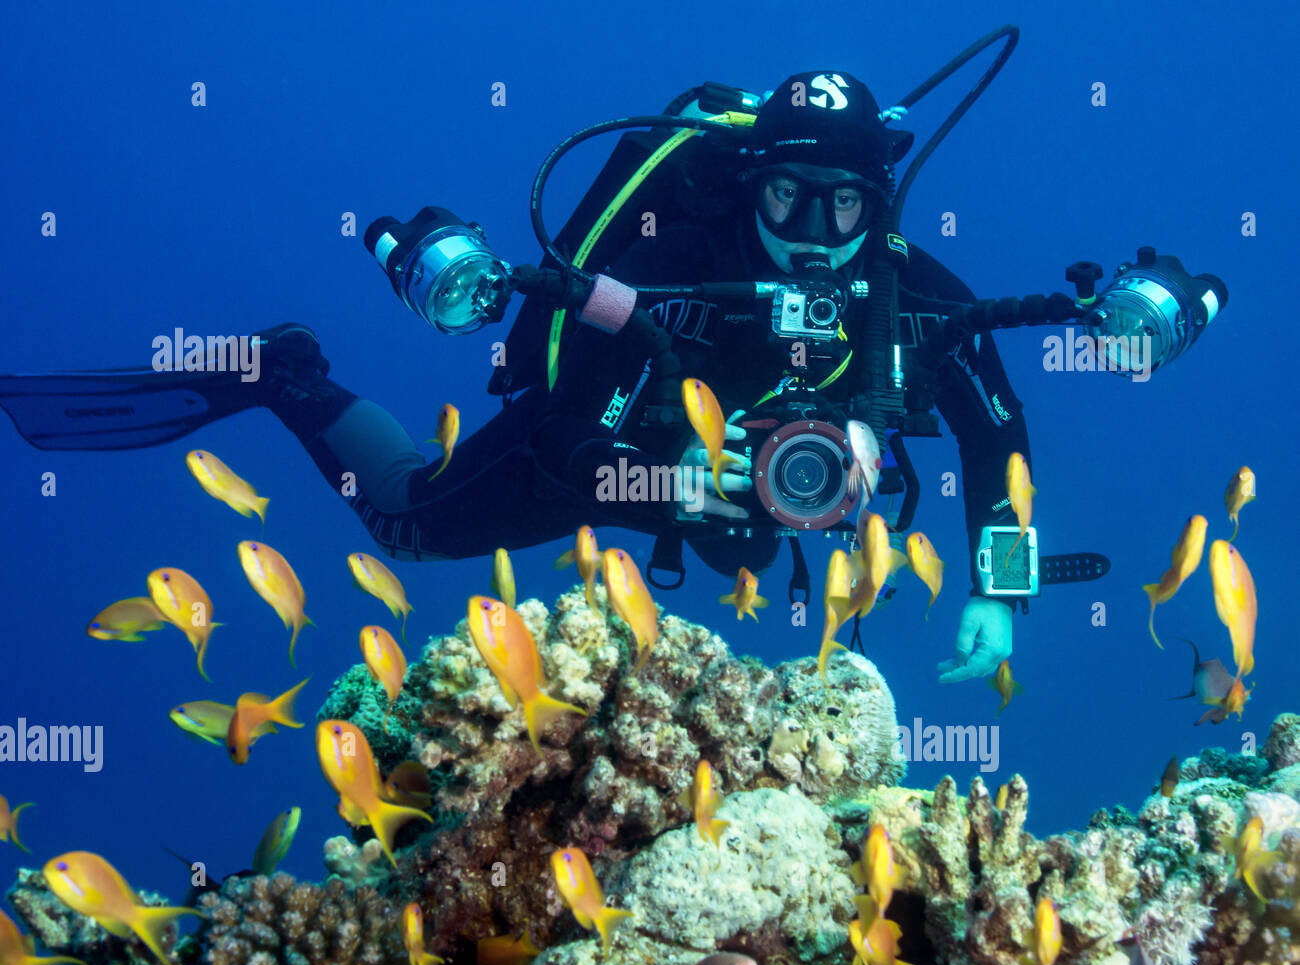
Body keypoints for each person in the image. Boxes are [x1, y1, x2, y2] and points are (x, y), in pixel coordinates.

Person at [0, 72, 1027, 684]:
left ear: (878, 208)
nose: (815, 234)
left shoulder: (916, 300)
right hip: (615, 458)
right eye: (791, 198)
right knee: (409, 525)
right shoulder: (661, 267)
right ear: (753, 184)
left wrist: (1002, 590)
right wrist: (655, 483)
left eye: (844, 207)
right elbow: (560, 425)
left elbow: (998, 434)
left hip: (753, 498)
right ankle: (288, 374)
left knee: (749, 547)